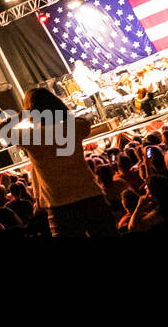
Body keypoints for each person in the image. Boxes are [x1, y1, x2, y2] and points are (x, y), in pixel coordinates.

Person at [19, 88, 117, 236]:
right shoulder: (74, 127)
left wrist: (24, 115)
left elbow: (1, 130)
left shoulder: (30, 137)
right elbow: (84, 121)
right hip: (91, 195)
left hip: (59, 205)